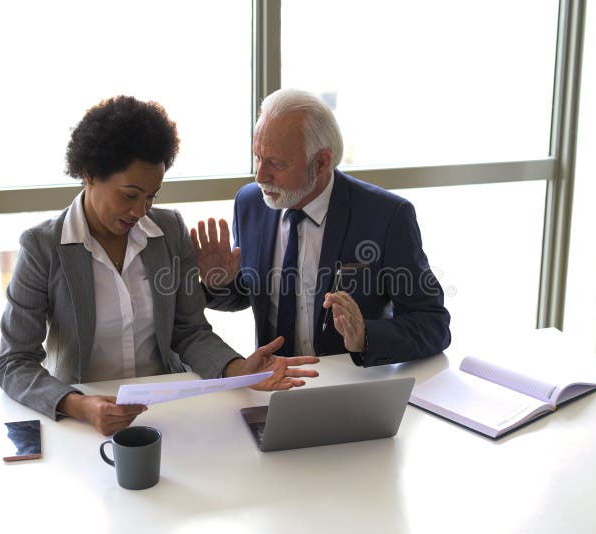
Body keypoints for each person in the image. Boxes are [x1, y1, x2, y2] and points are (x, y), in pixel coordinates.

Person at [0, 96, 318, 436]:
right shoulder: (43, 247)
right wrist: (78, 404)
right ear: (89, 174)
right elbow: (13, 362)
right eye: (130, 195)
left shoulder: (168, 232)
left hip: (165, 406)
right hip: (82, 417)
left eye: (152, 196)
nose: (140, 210)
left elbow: (188, 331)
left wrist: (239, 369)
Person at [191, 88, 450, 366]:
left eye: (275, 163)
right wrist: (219, 282)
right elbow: (245, 293)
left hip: (350, 388)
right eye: (257, 157)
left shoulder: (386, 216)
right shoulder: (250, 202)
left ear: (321, 162)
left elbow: (433, 324)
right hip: (272, 382)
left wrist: (365, 337)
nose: (260, 175)